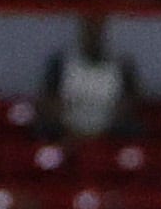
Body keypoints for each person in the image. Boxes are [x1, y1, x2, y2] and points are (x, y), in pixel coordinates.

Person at [37, 11, 144, 143]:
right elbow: (49, 102)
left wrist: (102, 134)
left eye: (97, 30)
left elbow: (130, 103)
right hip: (67, 132)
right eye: (89, 30)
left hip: (110, 135)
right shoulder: (61, 63)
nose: (93, 36)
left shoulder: (122, 65)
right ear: (82, 32)